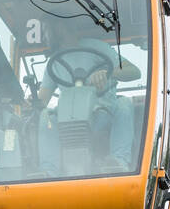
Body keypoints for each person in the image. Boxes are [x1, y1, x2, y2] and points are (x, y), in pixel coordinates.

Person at [35, 38, 135, 173]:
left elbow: (134, 71)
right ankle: (49, 171)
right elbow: (41, 101)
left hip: (102, 115)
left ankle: (119, 163)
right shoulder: (54, 61)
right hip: (68, 120)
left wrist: (107, 73)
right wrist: (28, 102)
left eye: (47, 29)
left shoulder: (97, 47)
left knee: (124, 103)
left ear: (61, 25)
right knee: (46, 115)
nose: (45, 36)